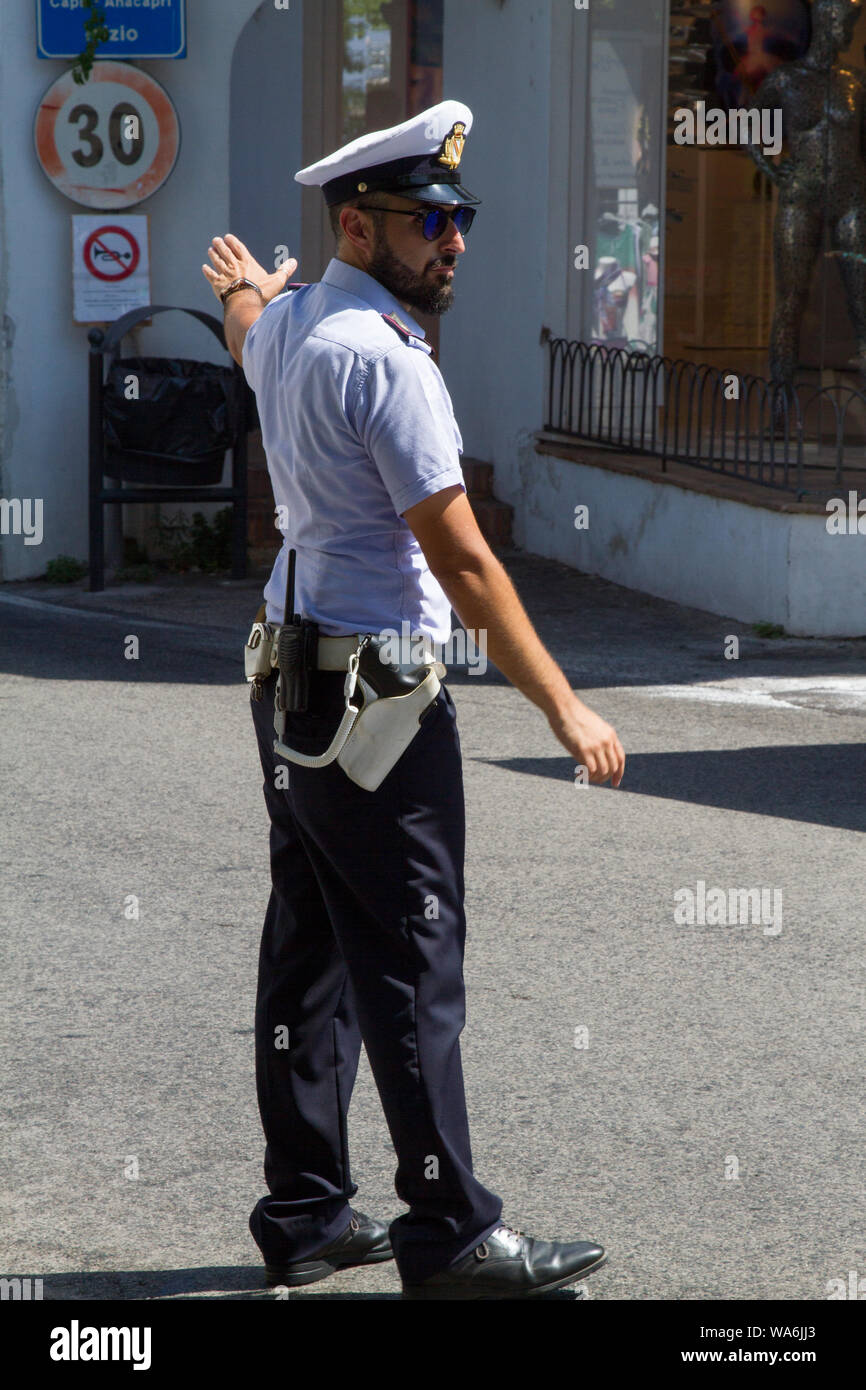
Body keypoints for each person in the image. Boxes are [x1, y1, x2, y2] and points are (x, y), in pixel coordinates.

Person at [202, 100, 625, 1300]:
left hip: (289, 683)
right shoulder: (381, 359)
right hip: (375, 705)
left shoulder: (293, 326)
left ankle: (305, 1216)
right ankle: (449, 1238)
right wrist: (561, 706)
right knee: (411, 961)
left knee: (311, 951)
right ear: (358, 224)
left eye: (459, 218)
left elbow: (244, 322)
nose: (452, 241)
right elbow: (465, 561)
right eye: (427, 220)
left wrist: (248, 282)